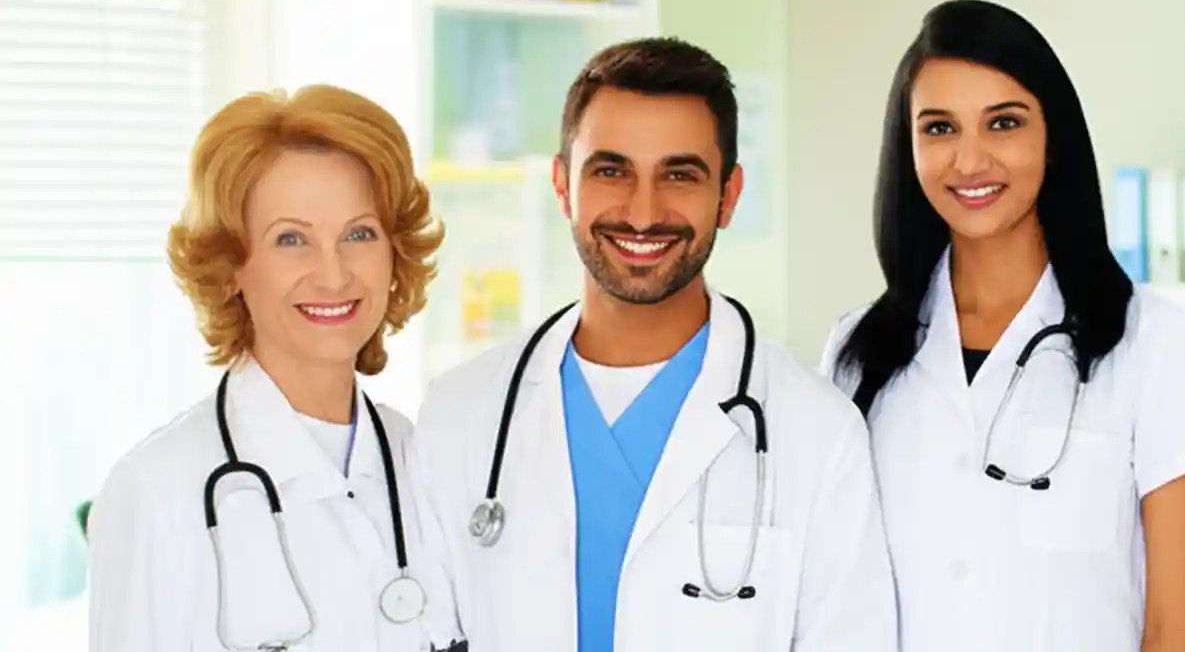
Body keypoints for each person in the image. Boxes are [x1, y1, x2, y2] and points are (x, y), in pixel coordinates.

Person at [407, 37, 898, 651]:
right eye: (611, 171)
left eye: (679, 174)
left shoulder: (817, 432)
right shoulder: (462, 415)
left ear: (729, 195)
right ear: (562, 185)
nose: (643, 213)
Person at [819, 0, 1185, 652]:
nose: (969, 161)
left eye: (1003, 123)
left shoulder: (1154, 343)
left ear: (1054, 138)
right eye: (939, 128)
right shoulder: (857, 355)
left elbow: (1174, 633)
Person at [88, 85, 465, 651]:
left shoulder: (418, 456)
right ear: (231, 264)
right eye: (291, 239)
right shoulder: (158, 490)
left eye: (359, 234)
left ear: (395, 254)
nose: (333, 273)